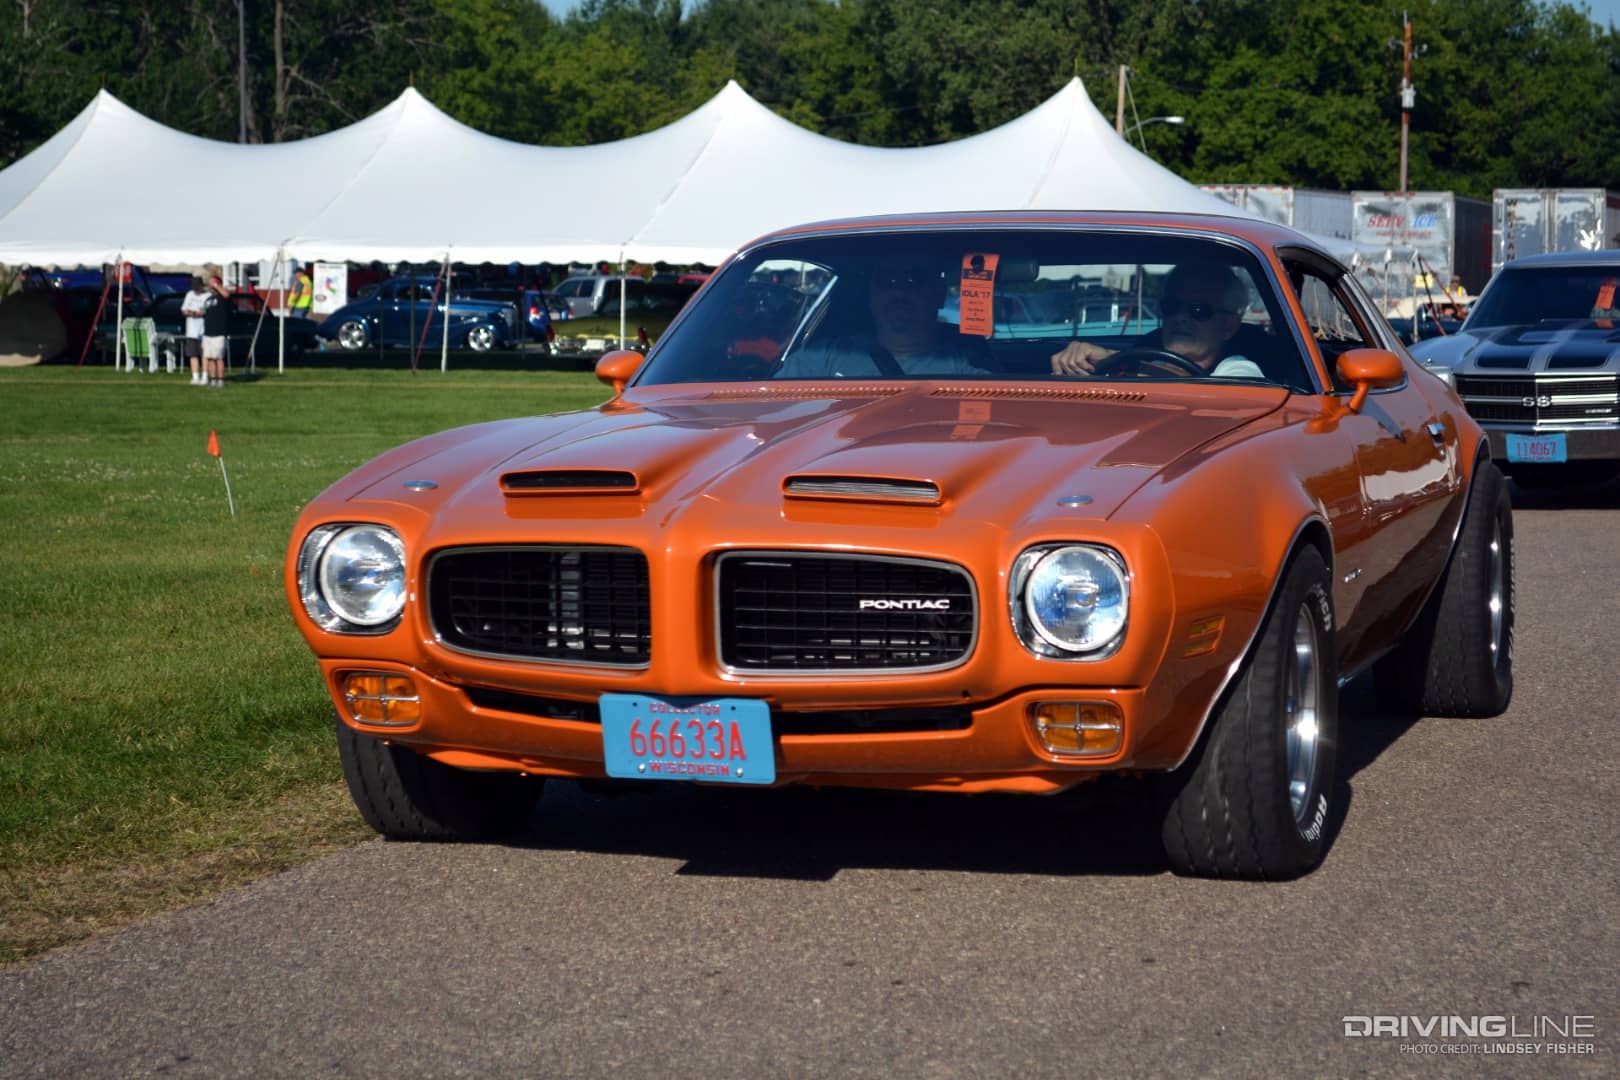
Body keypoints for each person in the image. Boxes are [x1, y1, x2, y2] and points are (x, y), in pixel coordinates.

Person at [778, 258, 993, 378]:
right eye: (886, 280)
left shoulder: (966, 368)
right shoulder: (821, 359)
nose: (898, 290)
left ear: (939, 294)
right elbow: (772, 409)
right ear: (870, 295)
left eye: (913, 279)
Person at [1049, 260, 1264, 379]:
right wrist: (1075, 364)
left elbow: (1223, 399)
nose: (1180, 317)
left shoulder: (1239, 369)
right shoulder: (1131, 363)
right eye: (1171, 306)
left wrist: (1114, 358)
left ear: (1228, 326)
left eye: (1198, 310)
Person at [201, 275, 230, 388]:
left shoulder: (222, 298)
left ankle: (221, 380)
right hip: (208, 333)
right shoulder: (208, 299)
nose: (210, 286)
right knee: (210, 358)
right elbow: (204, 312)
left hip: (219, 333)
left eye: (212, 283)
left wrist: (217, 286)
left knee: (218, 357)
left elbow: (227, 295)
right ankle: (213, 379)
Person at [180, 275, 210, 385]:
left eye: (197, 287)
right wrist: (189, 312)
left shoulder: (207, 296)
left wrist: (196, 313)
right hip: (191, 331)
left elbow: (205, 311)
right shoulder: (189, 294)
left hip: (203, 330)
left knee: (205, 354)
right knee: (193, 354)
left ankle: (205, 376)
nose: (195, 289)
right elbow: (183, 309)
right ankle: (195, 376)